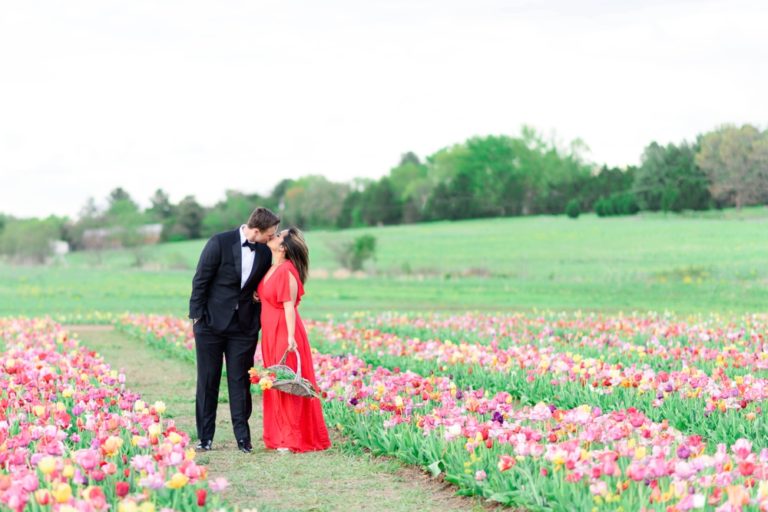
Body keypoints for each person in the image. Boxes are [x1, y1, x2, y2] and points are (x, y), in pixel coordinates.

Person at [189, 207, 280, 454]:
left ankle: (243, 439)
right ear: (257, 230)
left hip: (244, 327)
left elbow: (264, 282)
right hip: (209, 325)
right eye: (271, 233)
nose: (273, 237)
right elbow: (200, 280)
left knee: (240, 381)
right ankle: (205, 438)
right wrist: (196, 318)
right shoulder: (219, 242)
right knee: (208, 380)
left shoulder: (264, 251)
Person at [257, 227, 331, 452]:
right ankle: (279, 435)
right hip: (269, 331)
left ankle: (292, 439)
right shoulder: (272, 267)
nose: (274, 236)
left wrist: (290, 337)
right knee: (276, 383)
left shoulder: (287, 270)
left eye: (279, 236)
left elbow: (289, 307)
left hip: (283, 331)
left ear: (284, 247)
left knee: (287, 382)